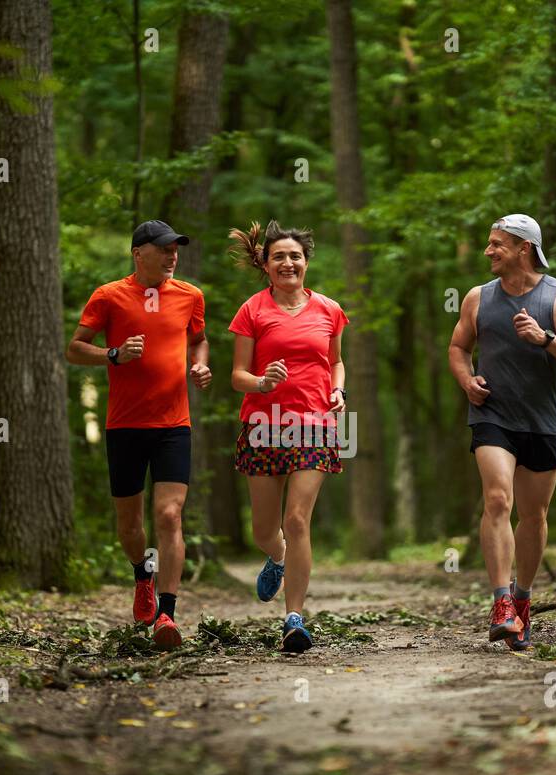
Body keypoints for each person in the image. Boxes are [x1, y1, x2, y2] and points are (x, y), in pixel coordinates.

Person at [447, 214, 556, 650]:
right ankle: (500, 604)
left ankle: (523, 601)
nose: (488, 251)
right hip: (493, 415)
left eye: (497, 244)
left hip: (541, 422)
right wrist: (467, 380)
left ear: (523, 249)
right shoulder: (478, 298)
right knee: (497, 499)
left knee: (534, 516)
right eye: (489, 244)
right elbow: (458, 346)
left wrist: (545, 338)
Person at [66, 220, 212, 649]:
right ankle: (141, 574)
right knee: (130, 527)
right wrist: (112, 354)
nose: (172, 256)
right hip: (124, 425)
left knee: (169, 515)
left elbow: (199, 340)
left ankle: (167, 614)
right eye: (164, 249)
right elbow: (74, 348)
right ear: (138, 253)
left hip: (173, 425)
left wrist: (200, 364)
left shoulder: (190, 295)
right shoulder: (108, 295)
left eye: (176, 249)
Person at [227, 220, 348, 654]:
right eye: (279, 256)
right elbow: (238, 376)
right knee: (265, 529)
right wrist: (261, 382)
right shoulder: (252, 310)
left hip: (314, 424)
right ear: (266, 263)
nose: (288, 262)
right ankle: (276, 557)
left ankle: (294, 618)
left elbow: (336, 362)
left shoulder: (329, 309)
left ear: (306, 262)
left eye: (295, 255)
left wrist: (338, 389)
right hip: (263, 424)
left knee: (297, 520)